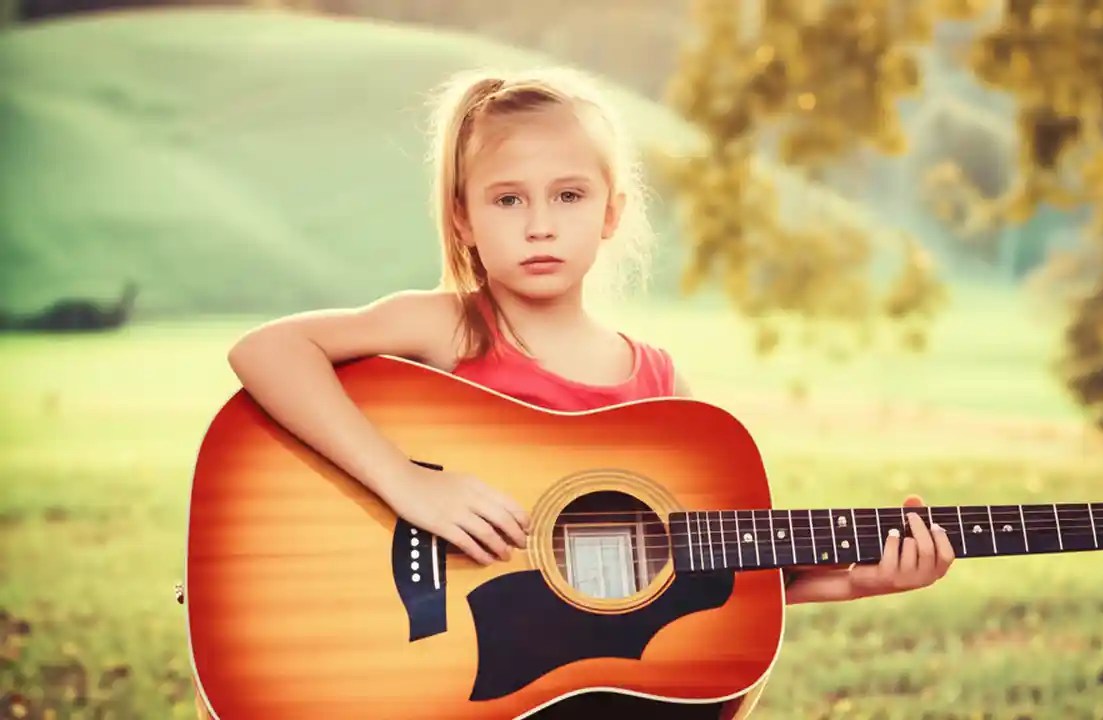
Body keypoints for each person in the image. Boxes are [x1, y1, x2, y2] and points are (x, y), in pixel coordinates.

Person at [200, 66, 955, 719]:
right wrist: (409, 489)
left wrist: (858, 579)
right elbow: (266, 350)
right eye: (507, 200)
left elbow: (699, 589)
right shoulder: (450, 329)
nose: (539, 226)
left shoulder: (662, 394)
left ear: (610, 213)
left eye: (567, 196)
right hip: (442, 677)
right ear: (463, 218)